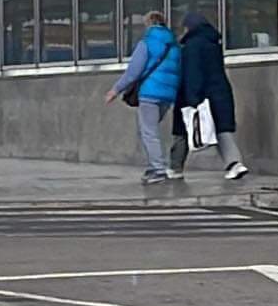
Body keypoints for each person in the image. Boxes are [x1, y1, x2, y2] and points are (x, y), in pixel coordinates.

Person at [104, 10, 183, 185]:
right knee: (151, 131)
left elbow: (134, 72)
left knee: (149, 132)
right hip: (168, 94)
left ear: (148, 23)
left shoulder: (146, 43)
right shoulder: (174, 45)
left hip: (149, 92)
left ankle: (158, 169)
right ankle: (154, 165)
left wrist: (115, 90)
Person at [170, 11, 249, 181]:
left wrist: (192, 99)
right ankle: (235, 164)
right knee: (222, 130)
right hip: (220, 92)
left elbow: (193, 73)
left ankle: (175, 168)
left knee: (183, 130)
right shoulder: (214, 44)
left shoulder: (192, 46)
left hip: (199, 95)